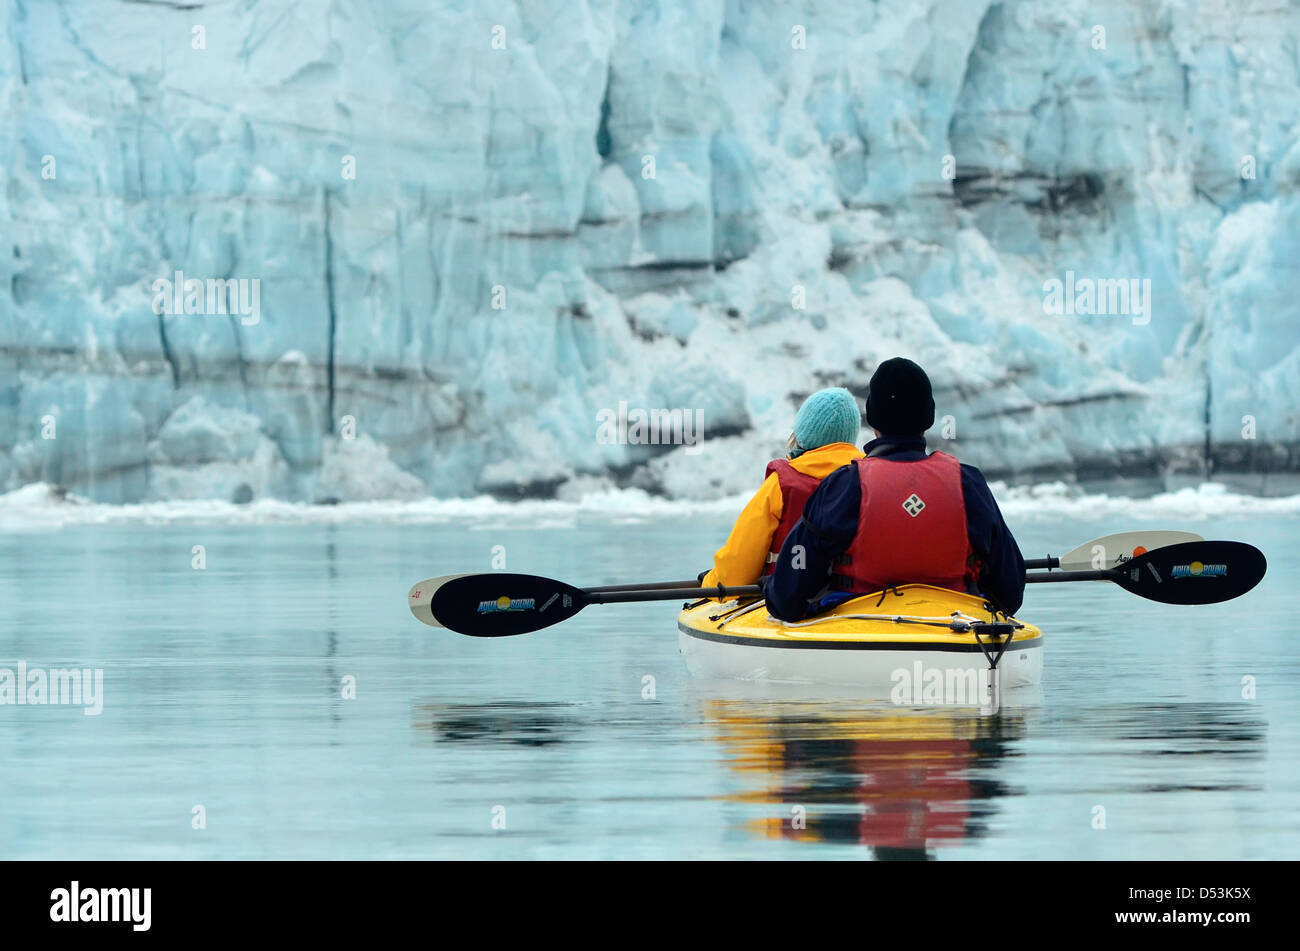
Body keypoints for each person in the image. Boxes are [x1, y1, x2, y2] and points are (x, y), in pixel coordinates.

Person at [764, 358, 1025, 621]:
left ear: (873, 418)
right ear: (929, 416)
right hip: (954, 627)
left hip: (858, 630)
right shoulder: (968, 483)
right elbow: (1010, 592)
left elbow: (787, 599)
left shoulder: (844, 486)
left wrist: (771, 589)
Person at [700, 388, 864, 589]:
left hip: (788, 599)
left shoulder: (781, 485)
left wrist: (709, 581)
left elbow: (735, 574)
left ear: (803, 433)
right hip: (859, 598)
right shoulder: (870, 480)